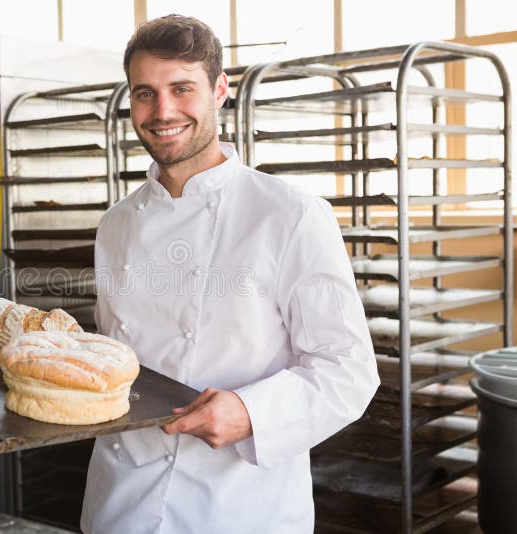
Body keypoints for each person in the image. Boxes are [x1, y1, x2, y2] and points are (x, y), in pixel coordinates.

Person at [81, 14, 380, 533]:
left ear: (219, 90)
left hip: (237, 506)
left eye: (182, 89)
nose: (163, 111)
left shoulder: (290, 215)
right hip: (120, 501)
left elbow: (348, 369)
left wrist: (251, 412)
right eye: (145, 93)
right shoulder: (116, 225)